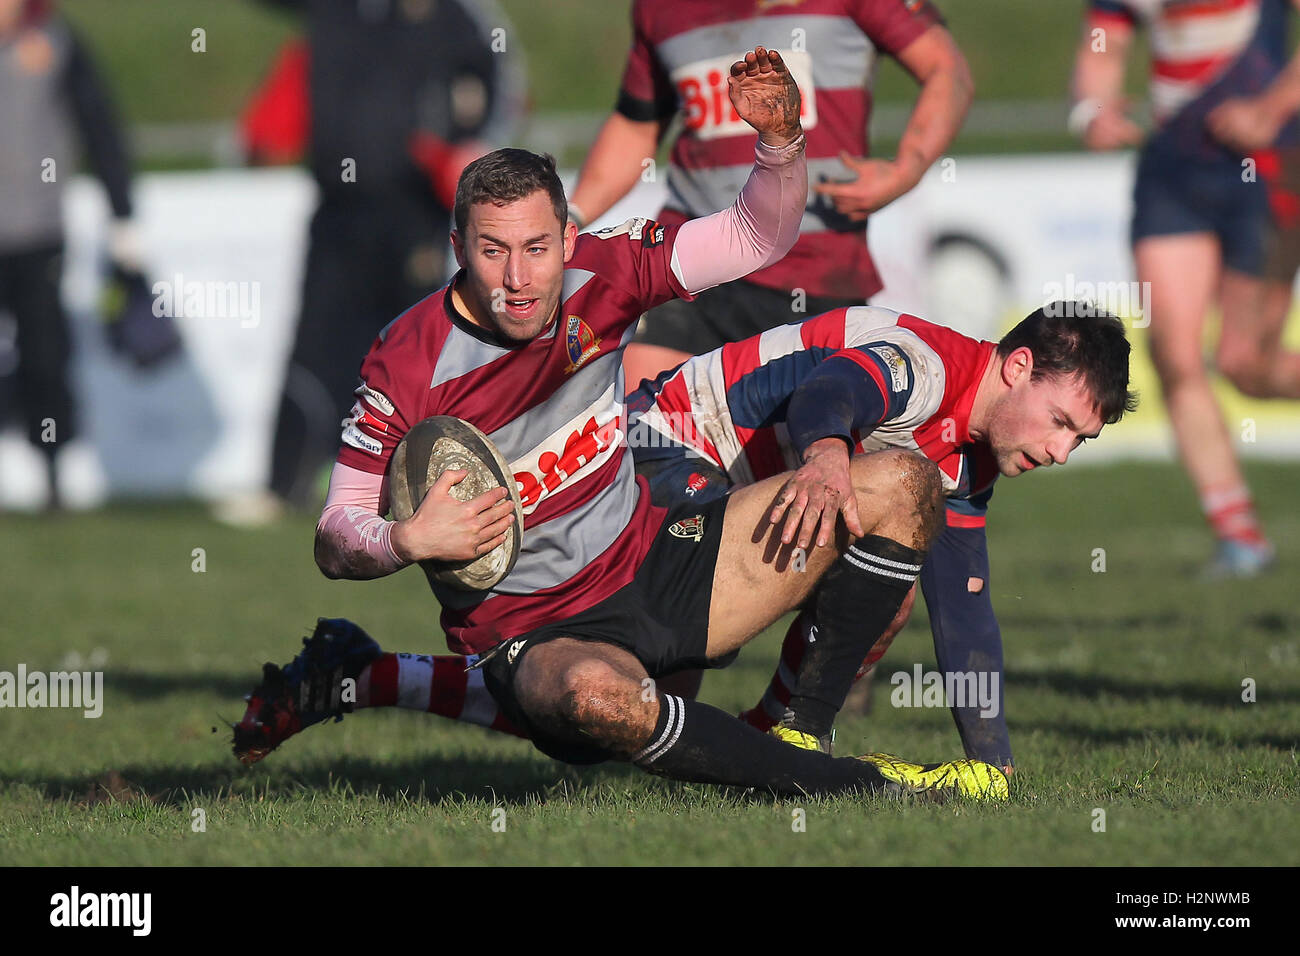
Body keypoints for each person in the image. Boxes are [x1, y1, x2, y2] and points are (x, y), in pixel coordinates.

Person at [234, 48, 1007, 800]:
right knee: (597, 705)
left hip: (658, 563)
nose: (517, 278)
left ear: (569, 239)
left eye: (537, 248)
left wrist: (779, 145)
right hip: (540, 634)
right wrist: (407, 541)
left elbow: (752, 237)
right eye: (492, 250)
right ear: (457, 247)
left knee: (903, 485)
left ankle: (794, 732)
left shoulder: (604, 272)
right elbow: (336, 531)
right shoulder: (404, 360)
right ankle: (860, 789)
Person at [234, 302, 1137, 780]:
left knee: (611, 714)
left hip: (724, 491)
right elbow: (836, 389)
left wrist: (996, 768)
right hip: (664, 446)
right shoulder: (931, 365)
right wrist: (826, 456)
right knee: (637, 693)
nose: (1060, 451)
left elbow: (965, 608)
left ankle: (361, 672)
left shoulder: (973, 456)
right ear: (1017, 368)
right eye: (1060, 421)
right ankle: (790, 741)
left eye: (1079, 442)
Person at [567, 0, 973, 391]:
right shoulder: (659, 7)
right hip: (695, 252)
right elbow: (636, 125)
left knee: (806, 449)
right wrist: (572, 215)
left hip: (816, 272)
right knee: (651, 425)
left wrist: (907, 167)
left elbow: (946, 68)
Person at [226, 0, 522, 521]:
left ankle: (429, 488)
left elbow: (496, 92)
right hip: (338, 211)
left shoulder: (458, 17)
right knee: (314, 347)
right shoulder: (335, 12)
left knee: (418, 355)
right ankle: (283, 484)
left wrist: (466, 158)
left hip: (415, 213)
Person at [1071, 0, 1300, 577]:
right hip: (1173, 170)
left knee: (1245, 363)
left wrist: (1272, 107)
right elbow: (1103, 48)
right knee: (1173, 353)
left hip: (1267, 163)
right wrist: (1091, 111)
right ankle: (1239, 534)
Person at [0, 0, 144, 510]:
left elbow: (98, 125)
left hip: (35, 231)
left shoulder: (57, 42)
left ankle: (52, 474)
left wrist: (122, 213)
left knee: (44, 355)